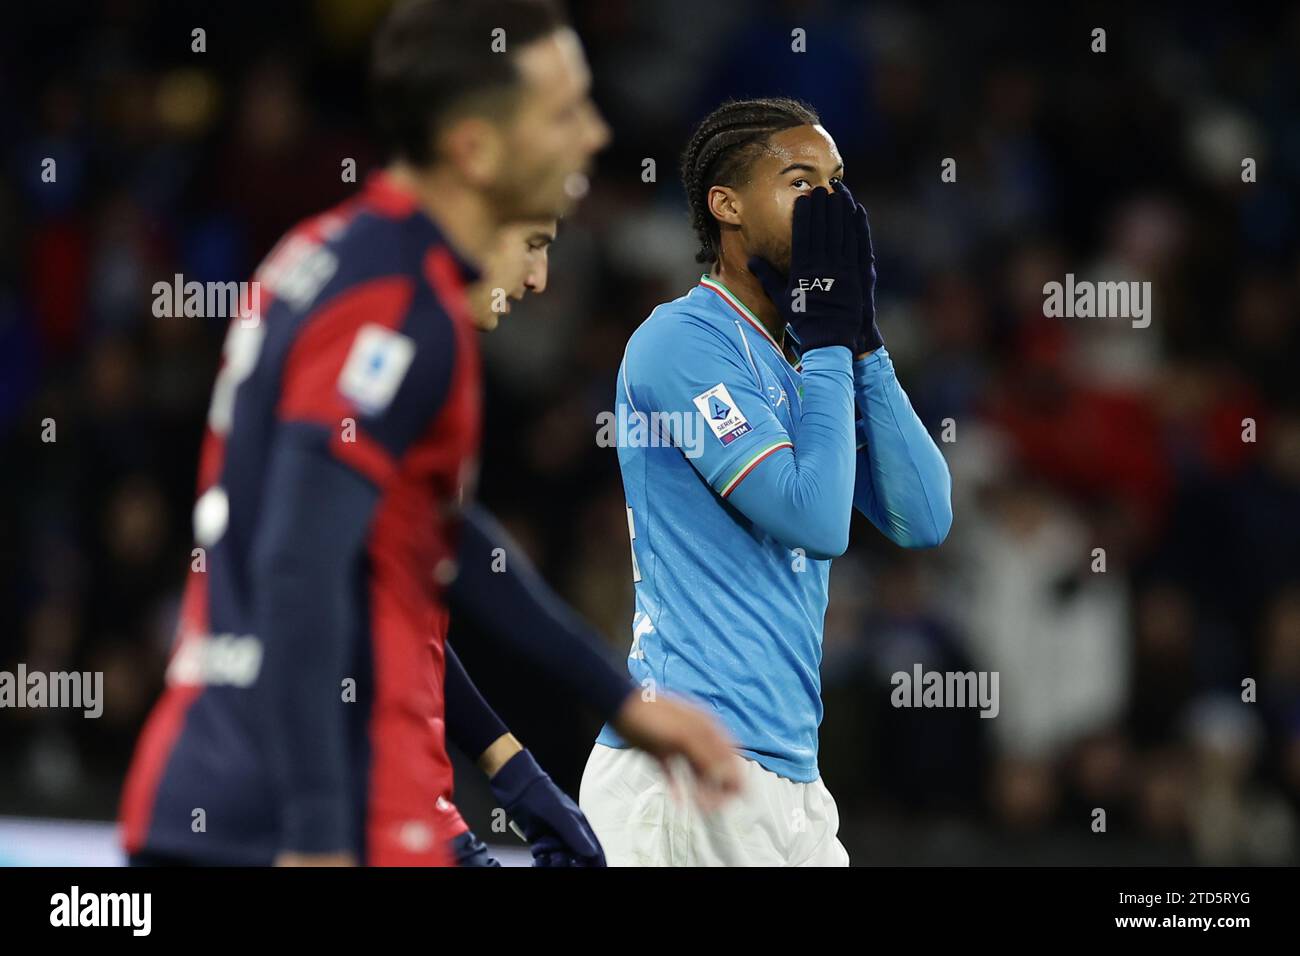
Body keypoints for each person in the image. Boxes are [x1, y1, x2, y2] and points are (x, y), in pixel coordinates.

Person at [119, 0, 739, 868]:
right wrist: (319, 837)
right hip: (289, 815)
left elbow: (425, 538)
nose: (593, 134)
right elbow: (302, 565)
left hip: (232, 790)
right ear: (477, 150)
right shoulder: (399, 310)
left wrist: (612, 705)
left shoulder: (331, 255)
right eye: (562, 112)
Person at [579, 97, 952, 866]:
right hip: (684, 766)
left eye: (837, 183)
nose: (829, 205)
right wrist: (825, 343)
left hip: (791, 778)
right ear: (727, 206)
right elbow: (814, 521)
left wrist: (863, 343)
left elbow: (925, 517)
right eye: (799, 181)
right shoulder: (679, 340)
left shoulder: (803, 355)